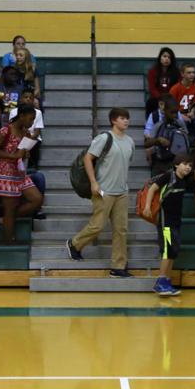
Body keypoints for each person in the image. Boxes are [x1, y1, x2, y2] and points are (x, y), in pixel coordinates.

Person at [67, 108, 135, 277]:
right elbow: (88, 158)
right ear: (113, 120)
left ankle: (118, 266)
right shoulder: (104, 138)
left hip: (122, 192)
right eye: (122, 118)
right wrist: (93, 182)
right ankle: (74, 244)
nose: (126, 121)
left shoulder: (130, 141)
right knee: (97, 226)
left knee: (121, 229)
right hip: (104, 190)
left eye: (127, 118)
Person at [0, 105, 45, 244]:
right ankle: (9, 241)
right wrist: (12, 156)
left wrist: (25, 154)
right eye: (31, 119)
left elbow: (22, 154)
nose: (32, 123)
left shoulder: (25, 133)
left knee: (36, 199)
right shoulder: (5, 130)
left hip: (18, 171)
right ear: (22, 116)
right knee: (10, 207)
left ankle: (7, 219)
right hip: (4, 171)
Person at [141, 154, 195, 297]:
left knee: (172, 252)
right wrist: (147, 207)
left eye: (190, 166)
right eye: (185, 164)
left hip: (176, 221)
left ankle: (166, 281)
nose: (188, 168)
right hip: (166, 221)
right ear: (177, 164)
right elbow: (153, 189)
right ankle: (160, 282)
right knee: (167, 250)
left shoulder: (184, 181)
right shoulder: (168, 176)